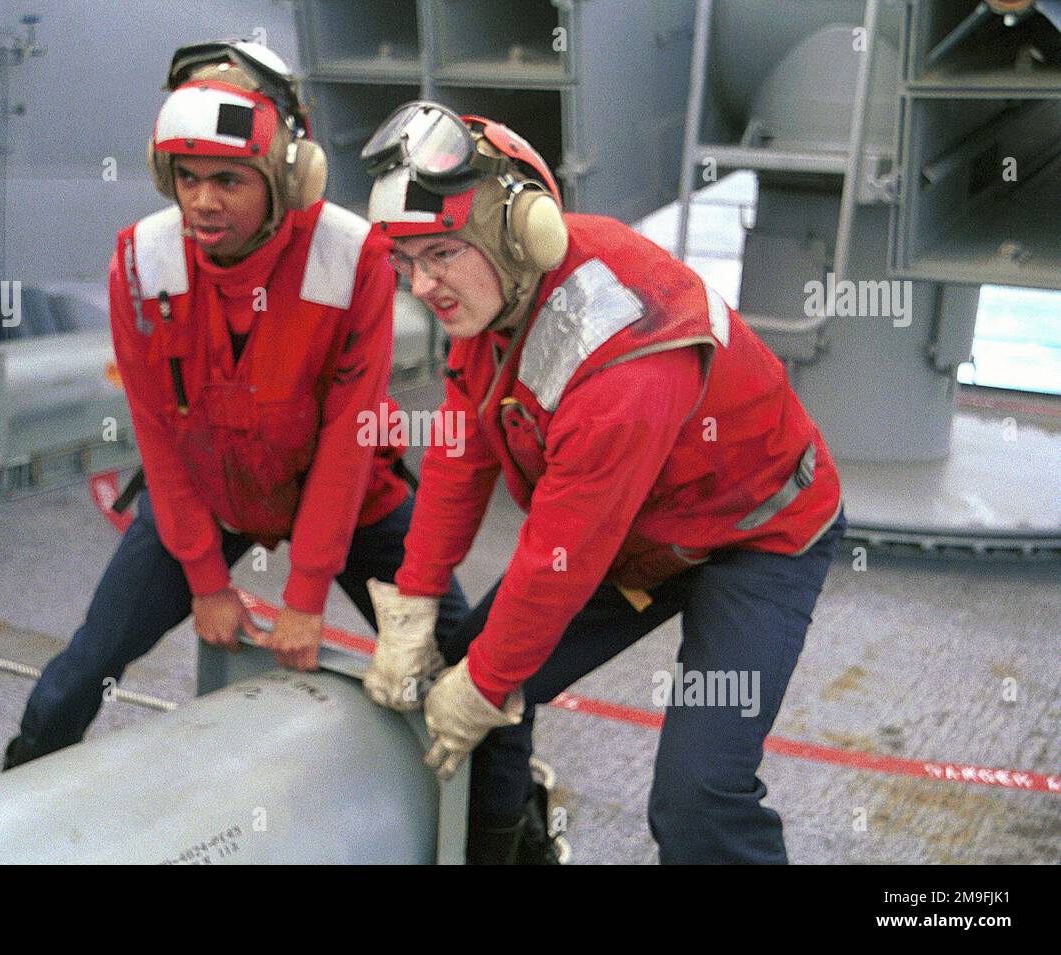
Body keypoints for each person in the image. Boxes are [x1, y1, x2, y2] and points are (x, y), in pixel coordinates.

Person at [358, 102, 847, 864]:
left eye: (443, 253)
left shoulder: (626, 348)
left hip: (758, 535)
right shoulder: (498, 303)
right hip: (641, 535)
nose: (422, 285)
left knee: (697, 797)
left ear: (520, 231)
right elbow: (461, 456)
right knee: (472, 679)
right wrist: (417, 598)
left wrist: (486, 683)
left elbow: (563, 552)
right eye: (407, 262)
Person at [3, 43, 467, 769]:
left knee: (463, 666)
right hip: (206, 494)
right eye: (185, 178)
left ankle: (511, 838)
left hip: (347, 497)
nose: (201, 202)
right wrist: (207, 582)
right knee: (79, 672)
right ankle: (14, 796)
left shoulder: (354, 260)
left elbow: (349, 441)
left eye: (226, 179)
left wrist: (306, 592)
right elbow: (156, 433)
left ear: (289, 179)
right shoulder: (141, 263)